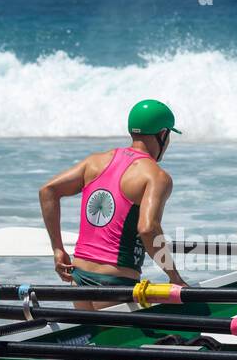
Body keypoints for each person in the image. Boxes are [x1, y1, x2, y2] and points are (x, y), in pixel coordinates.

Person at [38, 99, 187, 309]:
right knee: (122, 340)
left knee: (92, 340)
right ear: (163, 134)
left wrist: (58, 249)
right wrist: (174, 277)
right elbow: (147, 229)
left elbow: (48, 191)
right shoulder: (156, 176)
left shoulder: (95, 161)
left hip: (78, 278)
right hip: (115, 285)